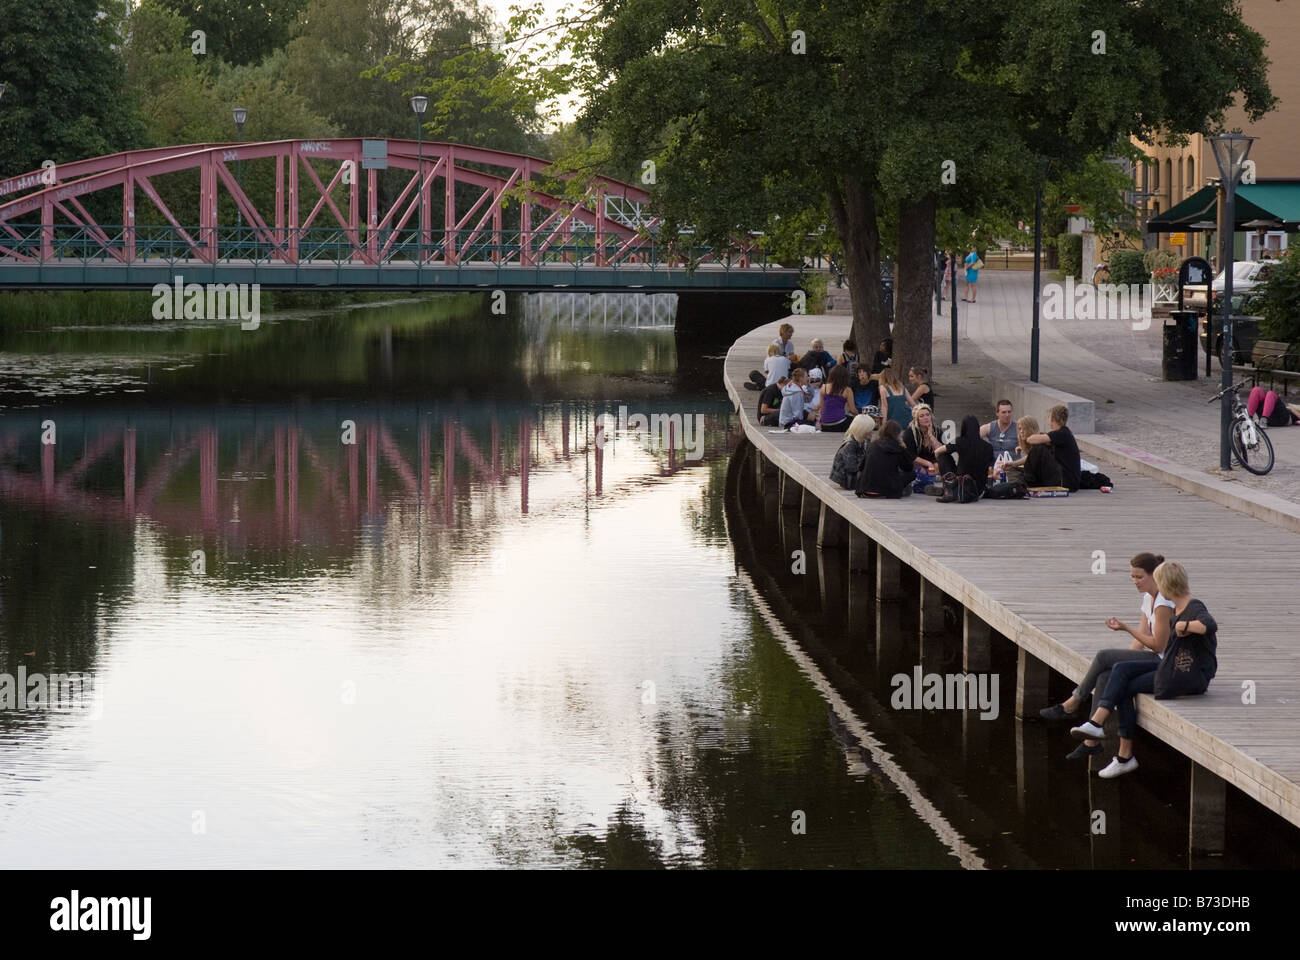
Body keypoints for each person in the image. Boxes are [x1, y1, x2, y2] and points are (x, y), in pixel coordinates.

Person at [1071, 561, 1217, 778]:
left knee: (1120, 676)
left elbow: (1209, 625)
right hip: (1173, 669)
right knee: (1121, 675)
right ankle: (1121, 753)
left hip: (1189, 677)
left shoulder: (1194, 606)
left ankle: (1101, 728)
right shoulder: (1177, 607)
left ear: (1166, 584)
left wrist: (1184, 626)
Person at [1040, 552, 1173, 759]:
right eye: (1132, 577)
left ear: (1154, 576)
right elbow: (1142, 637)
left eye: (1139, 577)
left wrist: (1126, 629)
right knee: (1106, 674)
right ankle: (1090, 741)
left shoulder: (1164, 603)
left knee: (1103, 656)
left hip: (1164, 661)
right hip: (1154, 657)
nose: (1135, 581)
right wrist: (1123, 659)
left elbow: (1159, 645)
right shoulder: (1149, 598)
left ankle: (1073, 703)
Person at [933, 414, 994, 502]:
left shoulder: (960, 441)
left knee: (943, 455)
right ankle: (953, 488)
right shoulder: (988, 447)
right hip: (979, 487)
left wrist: (938, 464)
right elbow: (990, 468)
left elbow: (937, 452)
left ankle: (950, 486)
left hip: (961, 481)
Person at [1022, 404, 1080, 491]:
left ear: (1052, 419)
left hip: (1065, 482)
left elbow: (1031, 440)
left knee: (1039, 448)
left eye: (1048, 418)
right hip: (1067, 481)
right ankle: (1029, 479)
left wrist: (1027, 438)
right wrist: (1014, 464)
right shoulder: (1063, 433)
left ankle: (1028, 481)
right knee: (1042, 447)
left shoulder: (1061, 433)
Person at [855, 420, 915, 498]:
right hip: (887, 491)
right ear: (897, 434)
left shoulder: (873, 445)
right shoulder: (898, 448)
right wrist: (904, 448)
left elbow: (860, 467)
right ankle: (901, 490)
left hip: (865, 490)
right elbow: (908, 468)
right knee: (912, 474)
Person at [1003, 415, 1062, 487]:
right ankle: (1016, 486)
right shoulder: (1032, 446)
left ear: (1031, 428)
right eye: (1020, 429)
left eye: (1024, 429)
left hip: (1047, 479)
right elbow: (1029, 457)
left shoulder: (1041, 440)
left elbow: (1032, 463)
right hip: (1037, 477)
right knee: (1012, 470)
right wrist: (1014, 464)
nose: (1021, 432)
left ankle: (1017, 487)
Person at [830, 414, 876, 488]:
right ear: (862, 430)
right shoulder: (850, 445)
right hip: (848, 479)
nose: (872, 432)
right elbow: (852, 468)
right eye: (869, 430)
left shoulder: (864, 441)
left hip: (856, 474)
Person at [817, 363, 858, 432]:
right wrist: (860, 415)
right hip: (840, 424)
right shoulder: (847, 390)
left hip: (825, 425)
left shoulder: (824, 387)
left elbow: (821, 407)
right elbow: (852, 410)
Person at [902, 403, 940, 474]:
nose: (926, 417)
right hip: (916, 461)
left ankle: (931, 475)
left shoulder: (937, 431)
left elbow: (941, 451)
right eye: (921, 416)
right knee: (920, 470)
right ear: (917, 419)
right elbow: (910, 455)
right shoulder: (910, 433)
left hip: (932, 461)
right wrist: (928, 464)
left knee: (940, 465)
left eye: (927, 415)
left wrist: (931, 435)